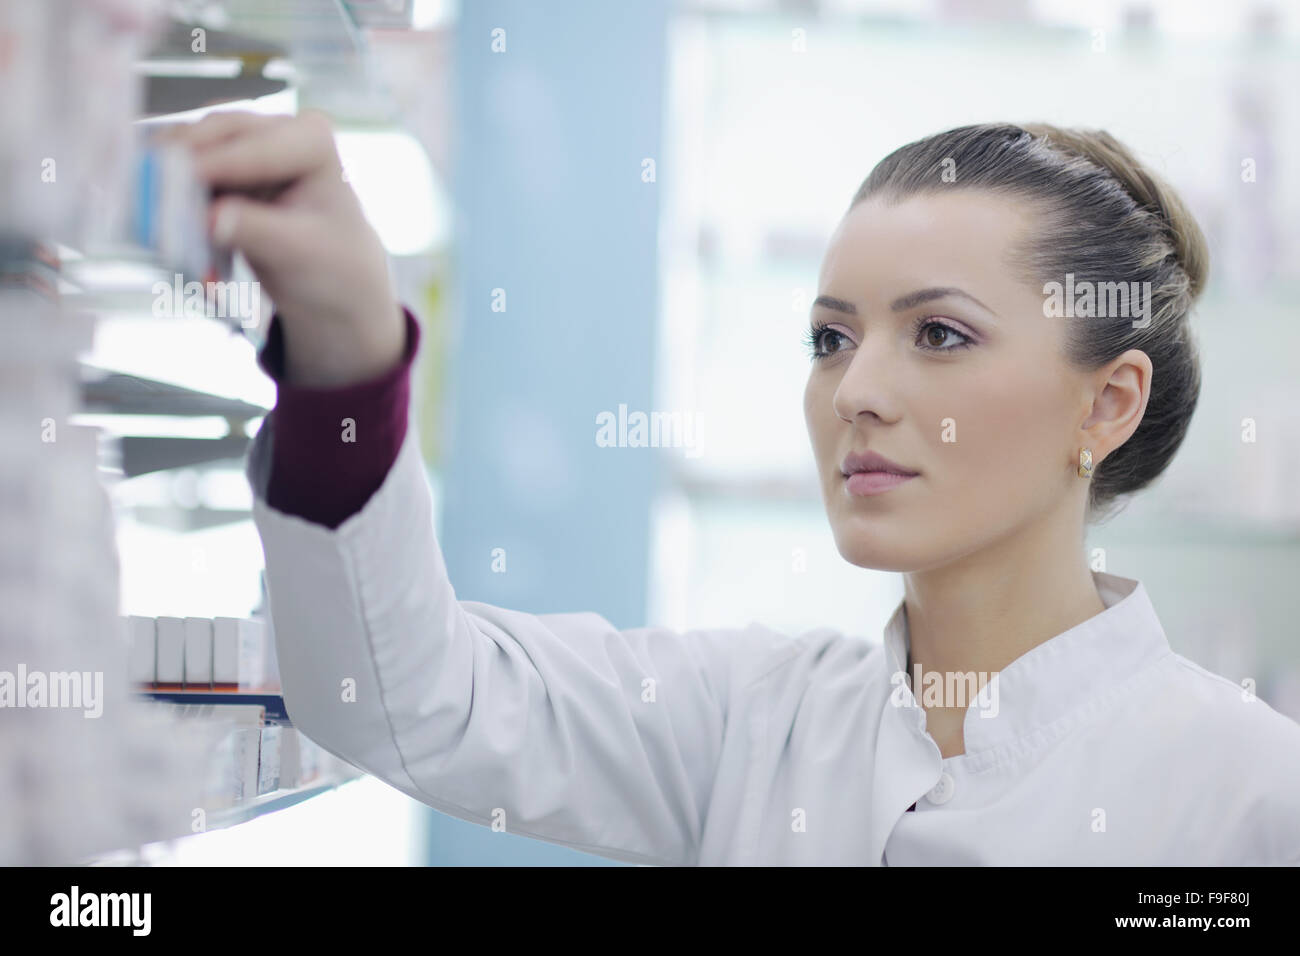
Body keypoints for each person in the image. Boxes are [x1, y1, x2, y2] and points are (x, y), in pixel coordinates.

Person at [165, 112, 1300, 865]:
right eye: (829, 336)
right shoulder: (751, 717)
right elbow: (402, 696)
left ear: (1105, 405)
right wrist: (349, 359)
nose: (857, 388)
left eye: (940, 333)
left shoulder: (1249, 795)